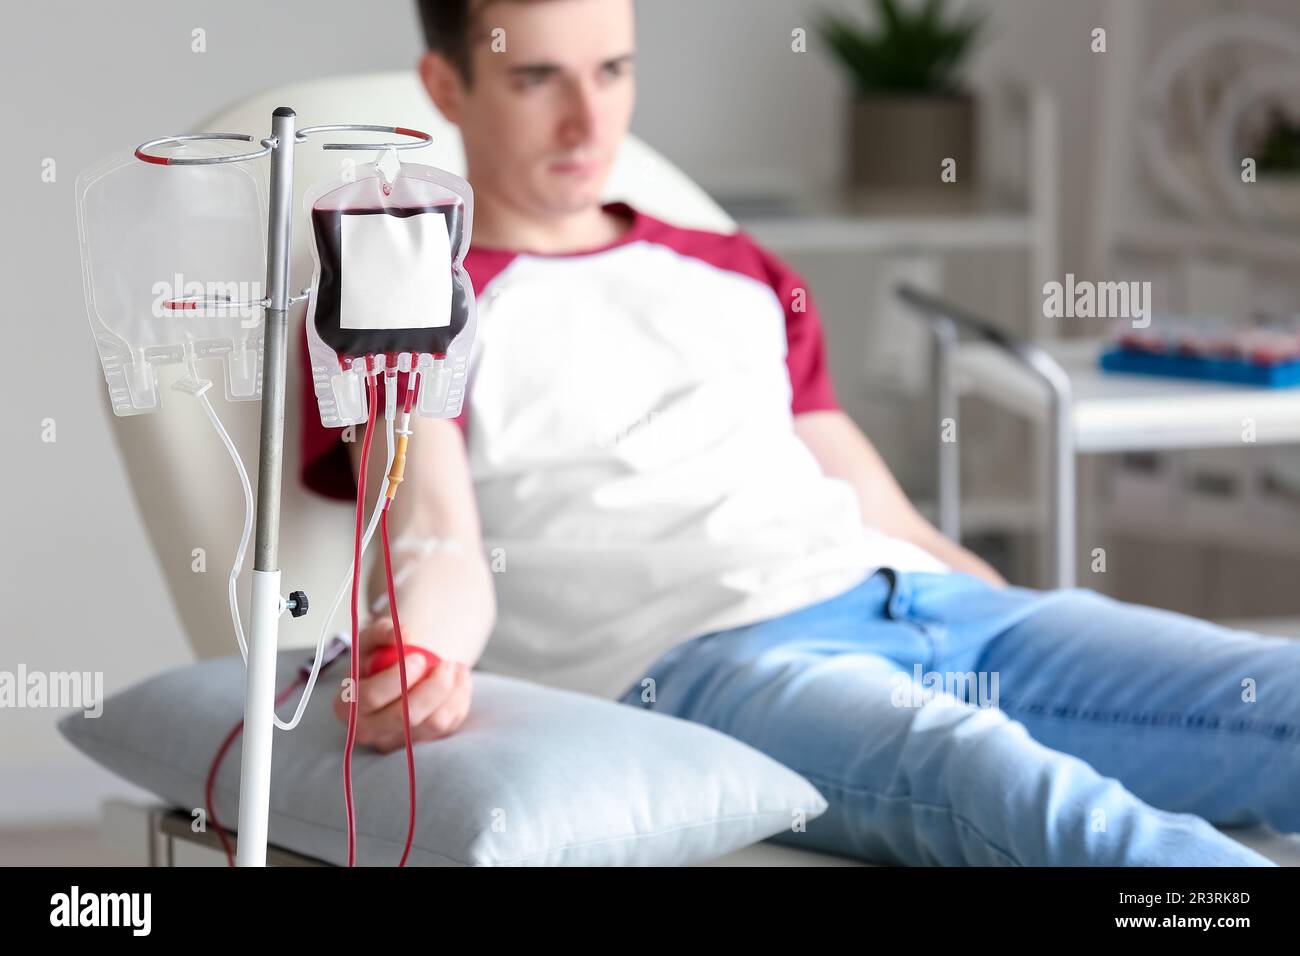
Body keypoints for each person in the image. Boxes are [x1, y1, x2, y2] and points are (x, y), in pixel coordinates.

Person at [297, 0, 1299, 865]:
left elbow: (874, 503)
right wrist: (423, 650)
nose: (586, 118)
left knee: (1274, 694)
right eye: (536, 79)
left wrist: (1020, 620)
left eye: (612, 71)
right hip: (713, 665)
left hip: (916, 602)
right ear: (445, 82)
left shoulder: (737, 267)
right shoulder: (417, 286)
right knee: (1024, 793)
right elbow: (434, 535)